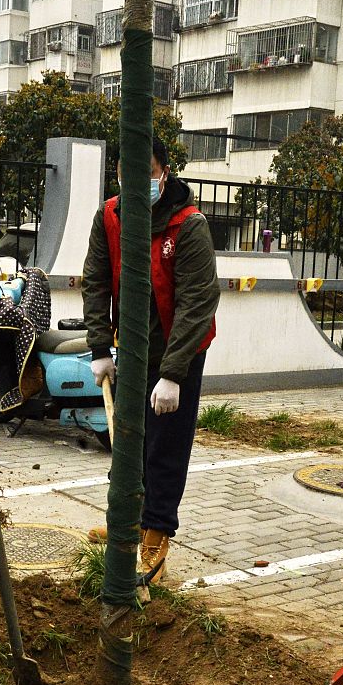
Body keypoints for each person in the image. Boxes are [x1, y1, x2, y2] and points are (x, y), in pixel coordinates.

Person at [81, 137, 220, 597]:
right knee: (128, 442)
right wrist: (100, 345)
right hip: (133, 350)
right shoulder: (110, 217)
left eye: (147, 173)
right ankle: (127, 523)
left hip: (180, 350)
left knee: (165, 447)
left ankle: (156, 536)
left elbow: (198, 303)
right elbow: (97, 281)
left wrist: (174, 372)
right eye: (126, 174)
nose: (136, 183)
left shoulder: (189, 225)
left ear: (164, 173)